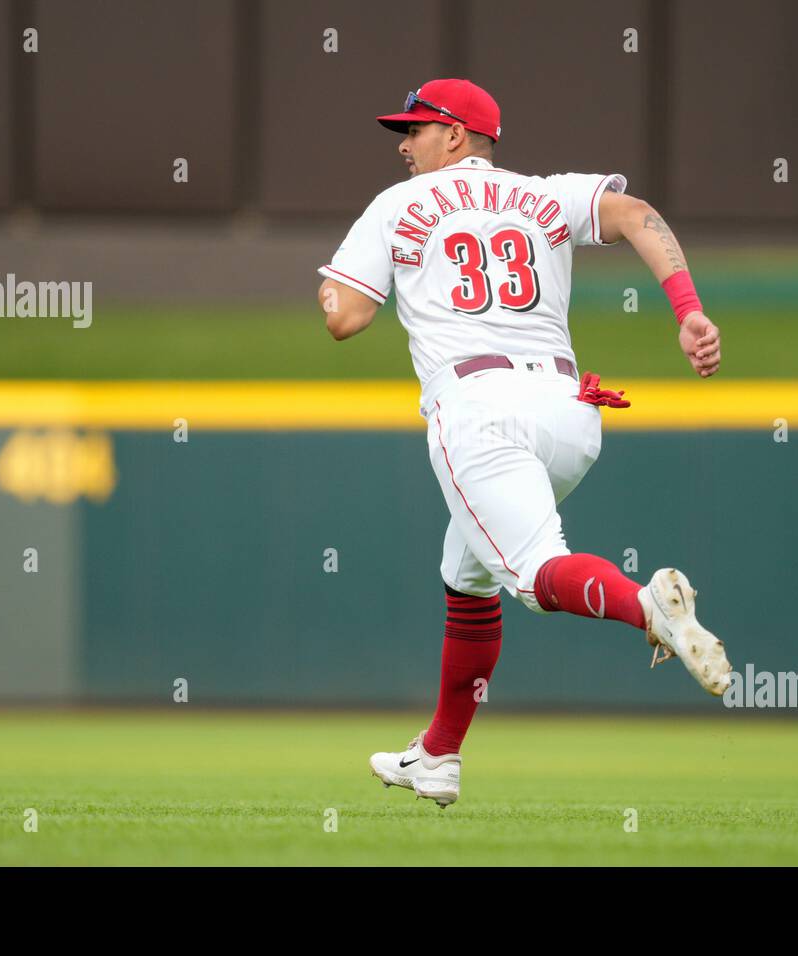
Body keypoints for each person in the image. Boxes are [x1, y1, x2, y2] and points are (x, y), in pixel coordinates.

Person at [316, 79, 732, 807]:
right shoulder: (546, 194)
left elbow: (345, 319)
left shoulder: (395, 206)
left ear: (454, 135)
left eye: (413, 130)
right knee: (467, 570)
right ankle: (439, 755)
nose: (403, 145)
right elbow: (638, 214)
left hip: (478, 408)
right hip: (570, 412)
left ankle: (649, 608)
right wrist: (689, 313)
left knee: (535, 576)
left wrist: (326, 287)